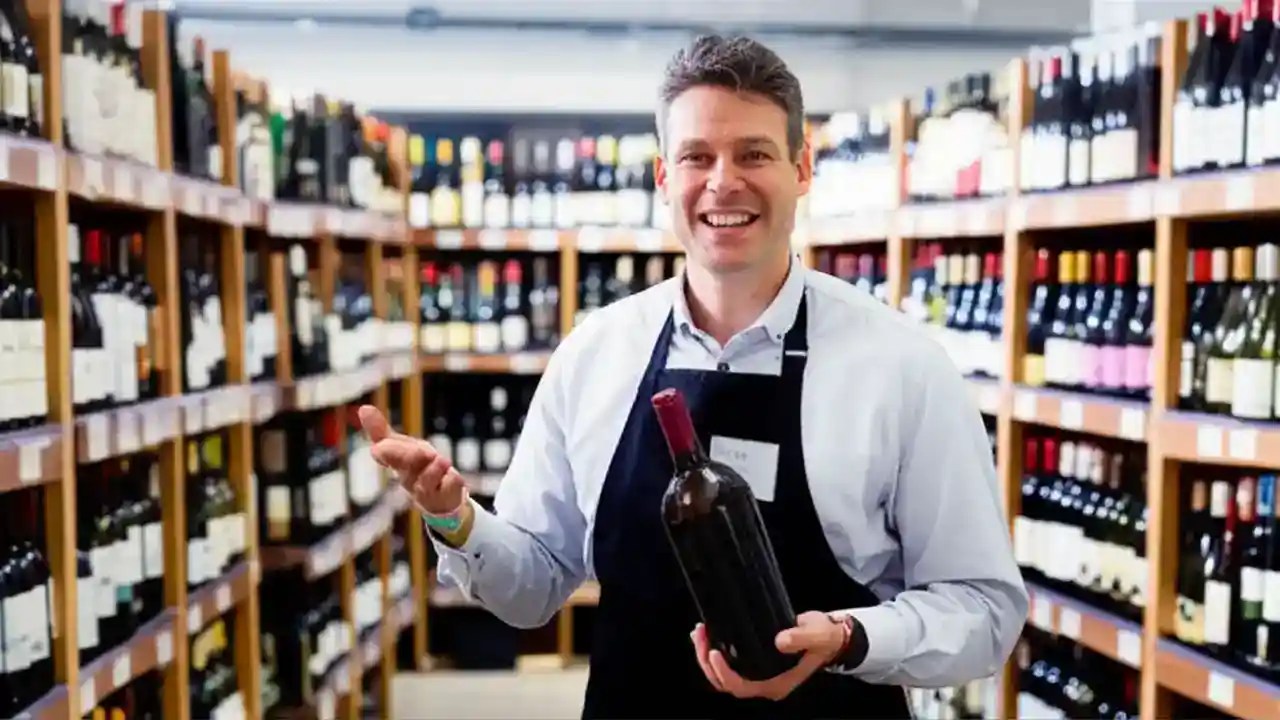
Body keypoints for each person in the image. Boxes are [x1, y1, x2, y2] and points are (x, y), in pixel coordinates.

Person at [359, 34, 1028, 720]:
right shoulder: (595, 356)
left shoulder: (901, 368)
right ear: (662, 177)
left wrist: (853, 637)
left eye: (754, 154)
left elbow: (984, 609)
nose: (722, 182)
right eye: (696, 157)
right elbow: (533, 588)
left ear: (802, 167)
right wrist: (457, 519)